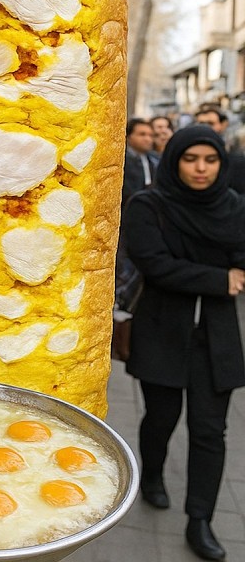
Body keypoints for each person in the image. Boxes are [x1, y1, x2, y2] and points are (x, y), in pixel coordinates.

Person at [122, 126, 245, 562]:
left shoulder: (233, 207)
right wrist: (219, 278)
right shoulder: (148, 205)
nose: (200, 168)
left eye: (210, 160)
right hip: (163, 331)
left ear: (220, 163)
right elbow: (155, 266)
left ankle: (201, 521)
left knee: (211, 432)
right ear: (174, 159)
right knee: (161, 417)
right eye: (191, 158)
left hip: (216, 338)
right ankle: (151, 476)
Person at [195, 107, 245, 194]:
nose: (205, 127)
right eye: (201, 123)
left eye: (210, 123)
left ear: (223, 124)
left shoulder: (235, 147)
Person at [121, 117, 155, 209]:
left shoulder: (152, 160)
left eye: (151, 135)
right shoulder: (122, 161)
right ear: (129, 136)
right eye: (142, 134)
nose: (148, 139)